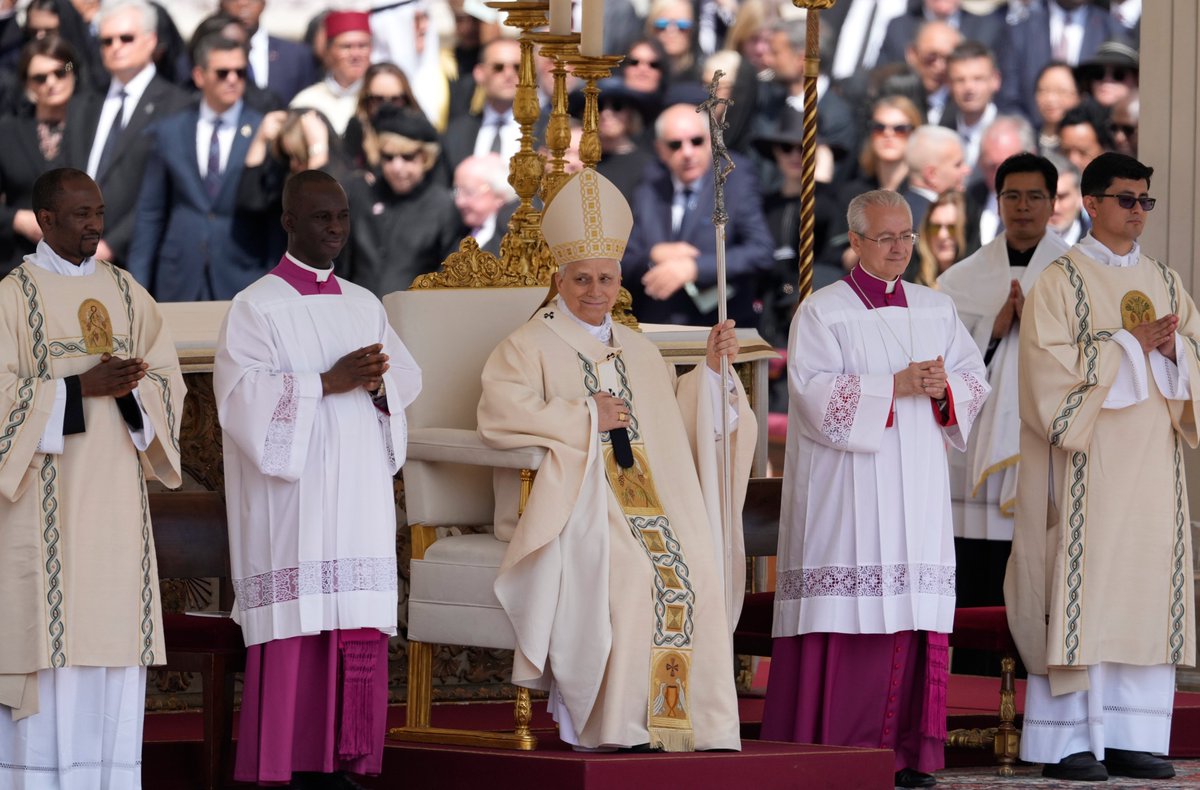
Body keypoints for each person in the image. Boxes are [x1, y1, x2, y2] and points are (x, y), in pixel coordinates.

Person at [477, 167, 756, 752]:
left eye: (605, 278)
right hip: (577, 500)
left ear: (620, 279)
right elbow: (501, 411)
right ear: (559, 278)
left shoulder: (638, 347)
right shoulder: (526, 345)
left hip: (653, 497)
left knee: (697, 566)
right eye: (581, 278)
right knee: (629, 574)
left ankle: (686, 725)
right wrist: (584, 414)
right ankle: (615, 724)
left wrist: (710, 373)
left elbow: (677, 422)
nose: (594, 291)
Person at [763, 188, 989, 789]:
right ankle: (844, 751)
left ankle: (911, 754)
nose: (899, 248)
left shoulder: (934, 308)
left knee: (914, 605)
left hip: (916, 484)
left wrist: (946, 389)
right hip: (851, 492)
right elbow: (811, 398)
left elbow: (974, 379)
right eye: (885, 237)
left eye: (906, 236)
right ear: (856, 242)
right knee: (855, 609)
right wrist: (892, 387)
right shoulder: (823, 311)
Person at [215, 169, 422, 787]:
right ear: (288, 222)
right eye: (319, 217)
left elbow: (404, 382)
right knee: (299, 624)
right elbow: (239, 399)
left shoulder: (365, 304)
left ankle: (346, 762)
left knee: (351, 621)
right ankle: (284, 765)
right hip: (295, 501)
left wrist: (379, 384)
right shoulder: (256, 306)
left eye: (342, 217)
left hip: (357, 491)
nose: (334, 228)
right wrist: (326, 382)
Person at [1006, 152, 1199, 782]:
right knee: (1083, 588)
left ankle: (1132, 735)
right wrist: (1126, 346)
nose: (1138, 211)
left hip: (1151, 468)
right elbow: (1044, 378)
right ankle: (1069, 743)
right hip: (1086, 465)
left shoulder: (1168, 283)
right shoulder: (1060, 281)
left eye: (1146, 200)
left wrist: (1175, 352)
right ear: (1091, 204)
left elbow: (1191, 362)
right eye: (1126, 199)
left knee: (1143, 590)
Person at [0, 167, 184, 787]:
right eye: (80, 214)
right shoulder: (11, 297)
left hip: (117, 517)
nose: (94, 225)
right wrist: (79, 388)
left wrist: (131, 393)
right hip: (44, 516)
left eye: (99, 212)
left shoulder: (128, 292)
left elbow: (166, 381)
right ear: (45, 220)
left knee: (112, 653)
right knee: (56, 654)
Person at [938, 154, 1069, 655]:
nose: (1023, 207)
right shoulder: (962, 280)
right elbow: (940, 359)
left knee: (1035, 573)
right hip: (972, 461)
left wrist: (1035, 327)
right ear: (998, 202)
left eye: (1035, 196)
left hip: (1042, 446)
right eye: (1012, 196)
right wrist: (992, 330)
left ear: (1053, 203)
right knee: (974, 579)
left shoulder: (1075, 276)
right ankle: (969, 688)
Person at [126, 33, 266, 301]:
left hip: (242, 274)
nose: (233, 79)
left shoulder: (261, 130)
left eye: (240, 72)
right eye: (222, 72)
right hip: (179, 275)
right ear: (200, 76)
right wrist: (137, 287)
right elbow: (150, 212)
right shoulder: (171, 130)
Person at [623, 102, 773, 329]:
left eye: (696, 141)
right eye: (675, 145)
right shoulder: (649, 188)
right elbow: (621, 259)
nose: (687, 152)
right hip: (655, 328)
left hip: (717, 328)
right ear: (660, 150)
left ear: (711, 140)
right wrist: (653, 254)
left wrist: (695, 268)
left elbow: (761, 251)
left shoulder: (735, 181)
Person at [63, 0, 189, 267]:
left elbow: (165, 190)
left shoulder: (177, 105)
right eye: (107, 41)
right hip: (75, 254)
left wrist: (111, 244)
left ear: (151, 40)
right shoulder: (84, 104)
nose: (116, 47)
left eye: (126, 38)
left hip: (139, 260)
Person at [344, 106, 461, 296]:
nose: (397, 167)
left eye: (408, 157)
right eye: (388, 157)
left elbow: (448, 275)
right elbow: (343, 263)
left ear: (426, 158)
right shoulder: (362, 196)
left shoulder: (442, 207)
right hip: (359, 313)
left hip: (414, 317)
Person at [0, 35, 79, 276]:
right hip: (21, 263)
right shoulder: (8, 131)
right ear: (27, 85)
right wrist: (16, 219)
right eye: (40, 78)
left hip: (84, 262)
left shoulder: (97, 126)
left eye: (60, 72)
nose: (51, 82)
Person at [441, 38, 522, 178]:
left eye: (518, 67)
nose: (509, 74)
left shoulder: (547, 131)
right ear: (479, 73)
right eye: (498, 67)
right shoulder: (456, 132)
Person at [290, 11, 371, 135]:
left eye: (363, 46)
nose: (355, 54)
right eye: (346, 47)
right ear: (328, 51)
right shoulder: (307, 101)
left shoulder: (380, 97)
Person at [219, 0, 315, 105]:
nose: (243, 3)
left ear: (263, 3)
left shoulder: (296, 55)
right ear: (222, 4)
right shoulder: (208, 52)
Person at [453, 152, 516, 257]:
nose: (459, 202)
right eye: (457, 191)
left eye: (468, 192)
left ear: (499, 195)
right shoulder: (460, 230)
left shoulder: (512, 234)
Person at [914, 190, 967, 287]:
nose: (943, 235)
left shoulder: (975, 281)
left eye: (952, 228)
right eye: (936, 227)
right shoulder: (910, 277)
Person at [1032, 62, 1080, 156]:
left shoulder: (1083, 143)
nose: (1051, 99)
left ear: (1079, 96)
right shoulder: (1027, 139)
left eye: (1061, 91)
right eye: (1044, 90)